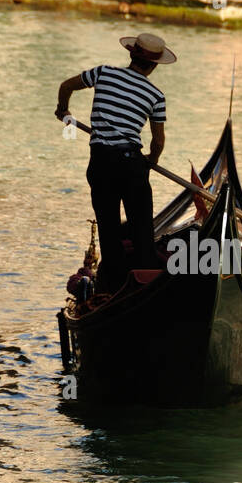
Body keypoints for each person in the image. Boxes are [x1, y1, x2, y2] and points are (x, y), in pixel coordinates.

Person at [55, 31, 176, 292]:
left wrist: (63, 110)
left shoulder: (103, 73)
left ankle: (111, 289)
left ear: (131, 54)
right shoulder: (156, 96)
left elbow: (66, 86)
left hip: (101, 162)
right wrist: (150, 161)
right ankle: (145, 290)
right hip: (132, 163)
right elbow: (158, 142)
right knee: (142, 232)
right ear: (154, 65)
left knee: (108, 230)